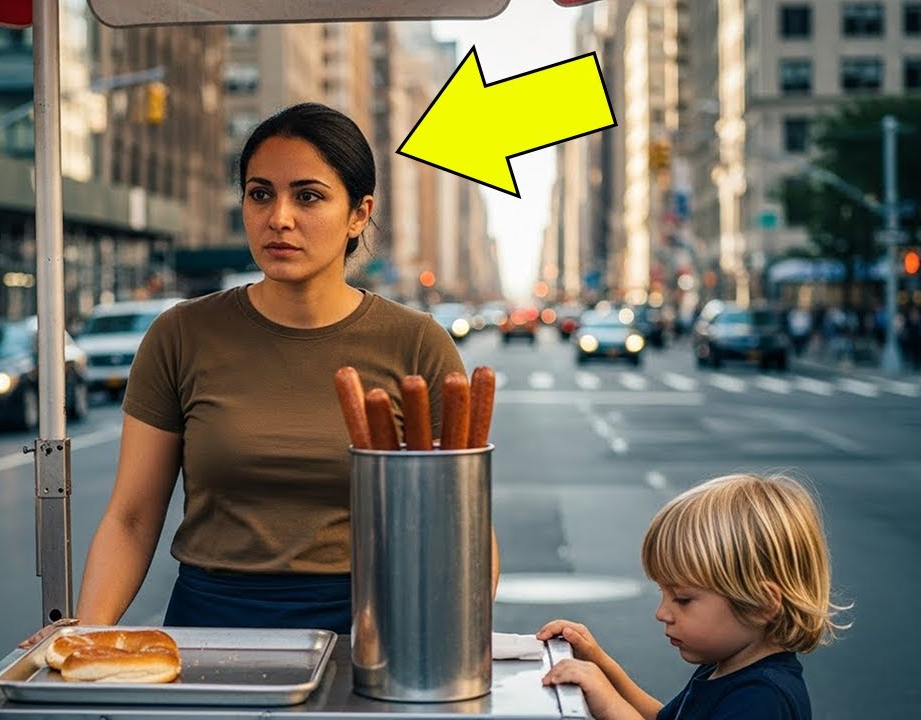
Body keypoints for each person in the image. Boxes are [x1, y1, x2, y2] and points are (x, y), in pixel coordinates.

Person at [70, 102, 493, 635]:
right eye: (260, 193)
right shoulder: (179, 335)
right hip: (209, 631)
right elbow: (130, 518)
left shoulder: (418, 344)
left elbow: (462, 527)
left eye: (309, 196)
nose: (279, 218)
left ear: (359, 214)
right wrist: (85, 636)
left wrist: (455, 643)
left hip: (373, 630)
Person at [538, 473, 850, 720]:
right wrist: (600, 664)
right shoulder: (725, 665)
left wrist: (609, 708)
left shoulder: (762, 699)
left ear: (761, 604)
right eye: (664, 594)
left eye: (683, 599)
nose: (662, 613)